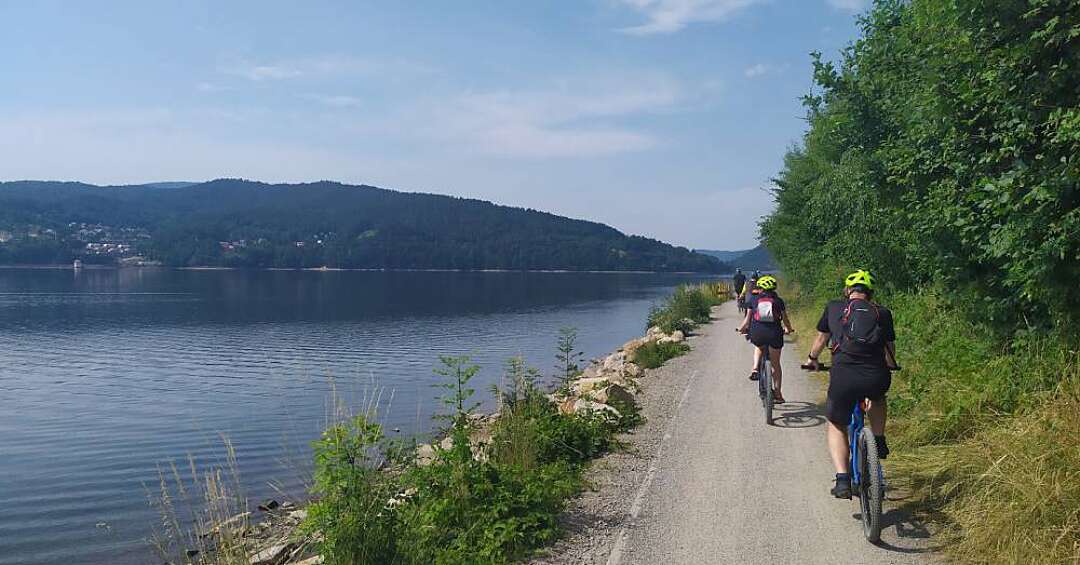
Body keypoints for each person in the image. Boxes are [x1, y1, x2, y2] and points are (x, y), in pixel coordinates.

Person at [803, 269, 898, 499]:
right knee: (878, 396)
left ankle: (843, 480)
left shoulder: (835, 308)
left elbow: (820, 339)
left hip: (844, 376)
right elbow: (890, 351)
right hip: (875, 375)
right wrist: (889, 366)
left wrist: (812, 359)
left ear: (847, 291)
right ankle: (879, 439)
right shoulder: (882, 313)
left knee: (836, 423)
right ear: (871, 294)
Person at [737, 275, 795, 403]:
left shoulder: (754, 299)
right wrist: (789, 329)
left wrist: (741, 329)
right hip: (775, 334)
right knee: (776, 364)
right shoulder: (778, 301)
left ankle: (755, 368)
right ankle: (778, 394)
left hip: (757, 333)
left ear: (760, 288)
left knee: (759, 346)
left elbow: (747, 320)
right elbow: (785, 320)